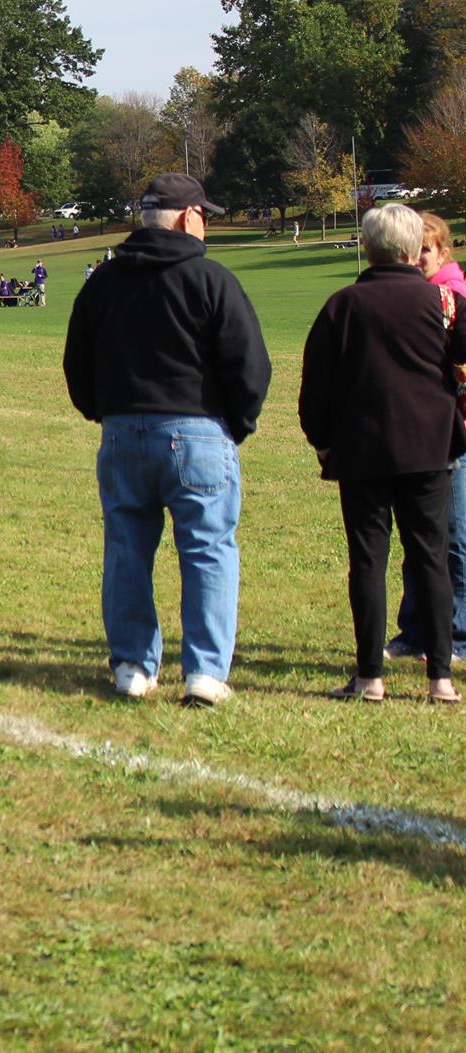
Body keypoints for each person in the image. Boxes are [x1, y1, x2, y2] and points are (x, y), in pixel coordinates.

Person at [62, 174, 271, 705]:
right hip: (197, 430)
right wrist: (236, 424)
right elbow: (250, 366)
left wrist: (102, 412)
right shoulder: (210, 279)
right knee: (207, 549)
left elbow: (76, 364)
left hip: (122, 431)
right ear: (185, 217)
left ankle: (133, 664)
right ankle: (204, 673)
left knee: (127, 549)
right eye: (205, 214)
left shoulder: (103, 282)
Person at [300, 204, 466, 705]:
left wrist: (323, 441)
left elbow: (315, 391)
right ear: (414, 248)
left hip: (361, 452)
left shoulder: (342, 305)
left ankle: (370, 676)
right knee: (431, 560)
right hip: (430, 451)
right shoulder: (445, 303)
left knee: (368, 563)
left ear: (368, 247)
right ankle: (441, 678)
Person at [388, 211, 466, 663]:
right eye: (412, 248)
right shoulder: (412, 297)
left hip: (454, 432)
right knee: (417, 537)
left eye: (427, 249)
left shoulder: (453, 298)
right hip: (419, 431)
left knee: (452, 538)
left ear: (443, 251)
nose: (418, 257)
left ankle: (455, 634)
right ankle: (415, 631)